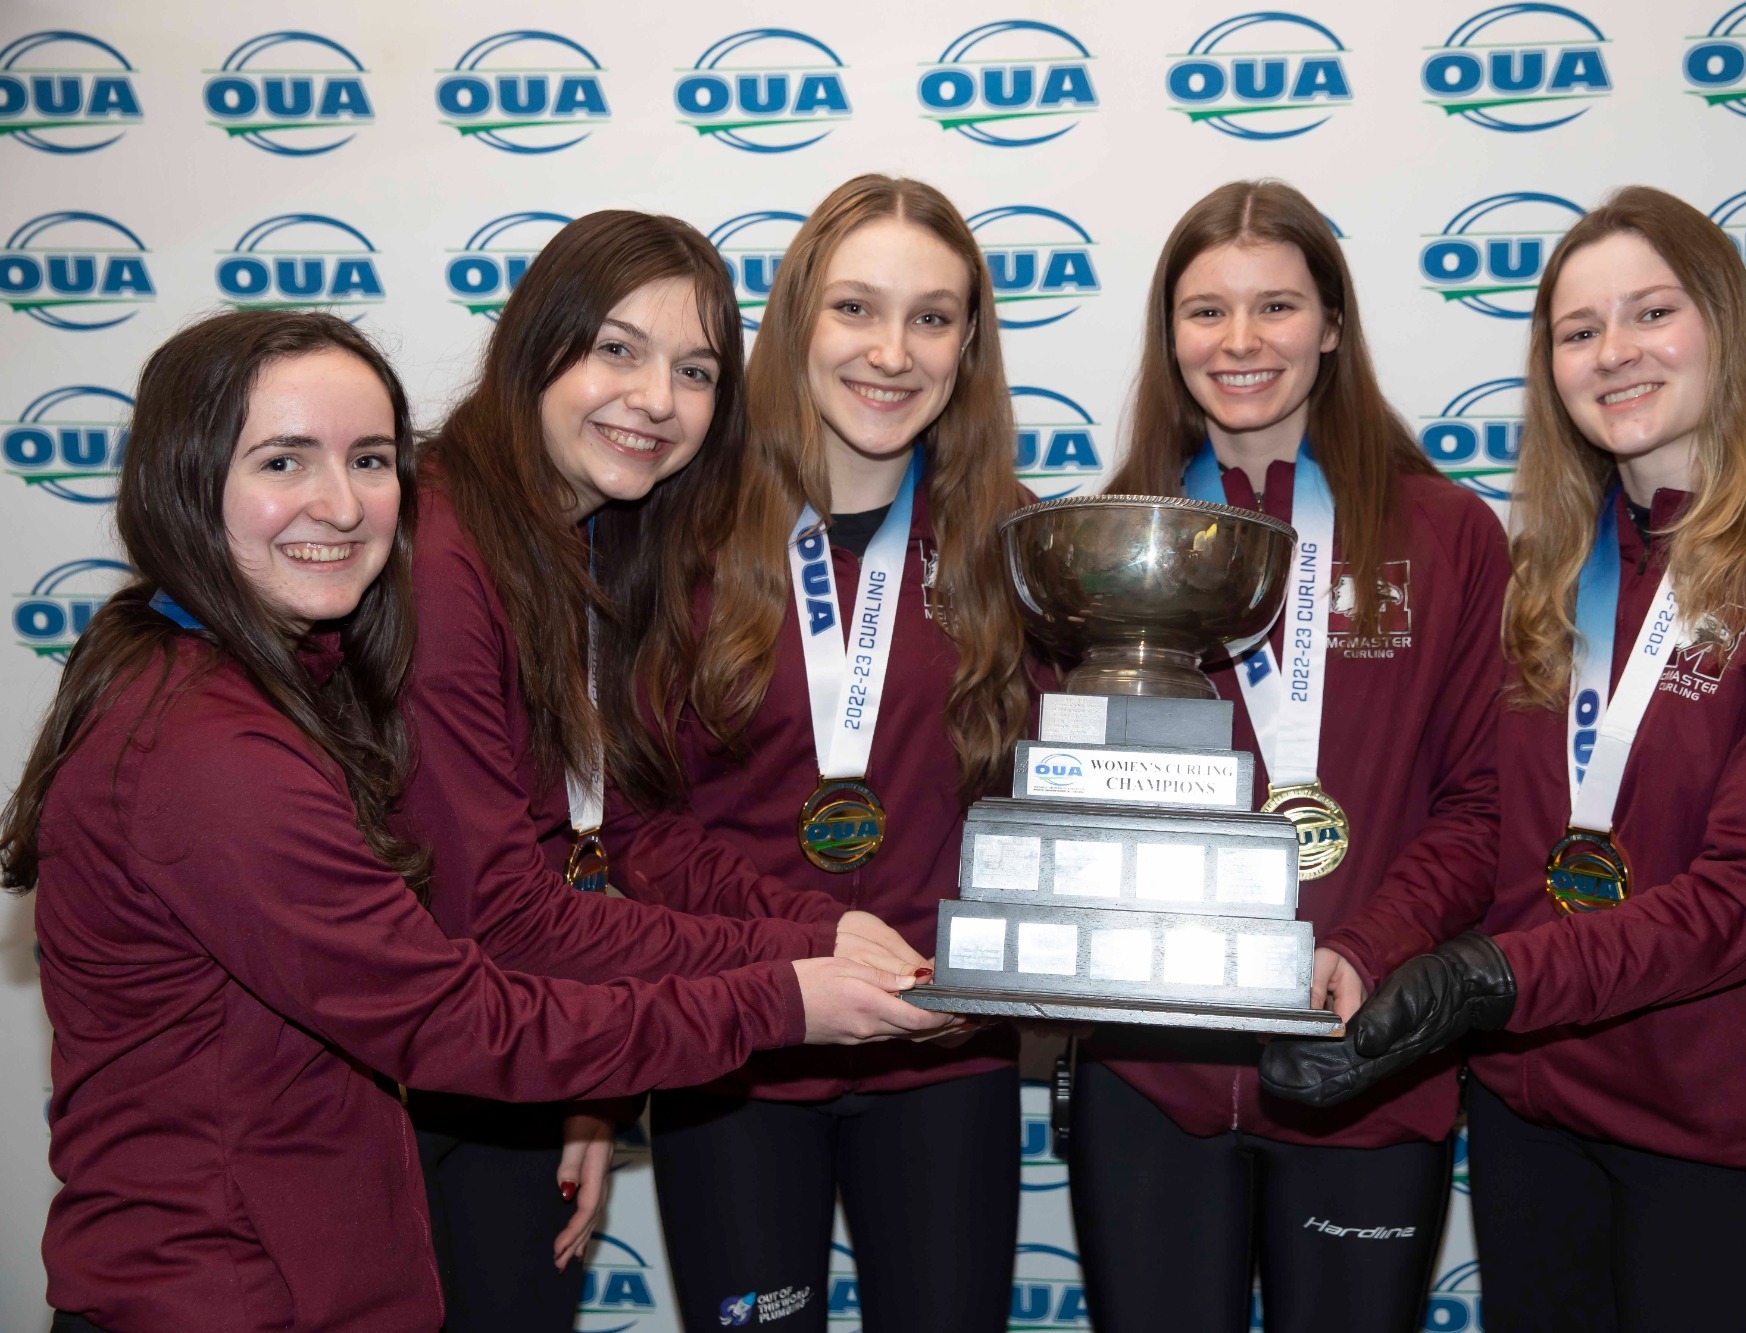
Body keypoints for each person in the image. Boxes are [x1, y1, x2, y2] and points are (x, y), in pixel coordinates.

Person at [5, 309, 940, 1333]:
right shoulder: (210, 753)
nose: (340, 502)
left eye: (369, 459)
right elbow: (456, 1020)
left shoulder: (252, 680)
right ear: (184, 483)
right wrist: (782, 998)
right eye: (284, 460)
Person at [1261, 185, 1746, 1331]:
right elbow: (1483, 828)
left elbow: (1742, 904)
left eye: (1650, 313)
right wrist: (1370, 956)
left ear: (1726, 325)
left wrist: (1484, 980)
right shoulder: (1546, 580)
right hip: (1533, 1111)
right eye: (1577, 331)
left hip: (1713, 1129)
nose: (1613, 353)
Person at [401, 210, 928, 1329]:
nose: (654, 400)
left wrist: (585, 1084)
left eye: (694, 370)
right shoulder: (443, 550)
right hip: (399, 1093)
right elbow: (502, 910)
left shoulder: (596, 545)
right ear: (534, 344)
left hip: (513, 1059)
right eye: (616, 350)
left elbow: (625, 834)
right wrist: (795, 965)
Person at [1061, 179, 1507, 1333]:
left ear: (1332, 325)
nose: (1241, 341)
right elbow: (1075, 801)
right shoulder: (1113, 536)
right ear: (1168, 337)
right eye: (1205, 311)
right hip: (1149, 1073)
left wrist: (1364, 947)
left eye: (1275, 306)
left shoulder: (1447, 534)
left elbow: (1477, 807)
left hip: (1365, 1062)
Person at [639, 175, 1037, 1333]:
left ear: (967, 347)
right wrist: (794, 942)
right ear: (795, 322)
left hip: (941, 1049)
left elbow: (1048, 801)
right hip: (732, 1040)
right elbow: (634, 824)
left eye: (931, 317)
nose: (891, 352)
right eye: (856, 309)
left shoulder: (1012, 546)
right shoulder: (681, 533)